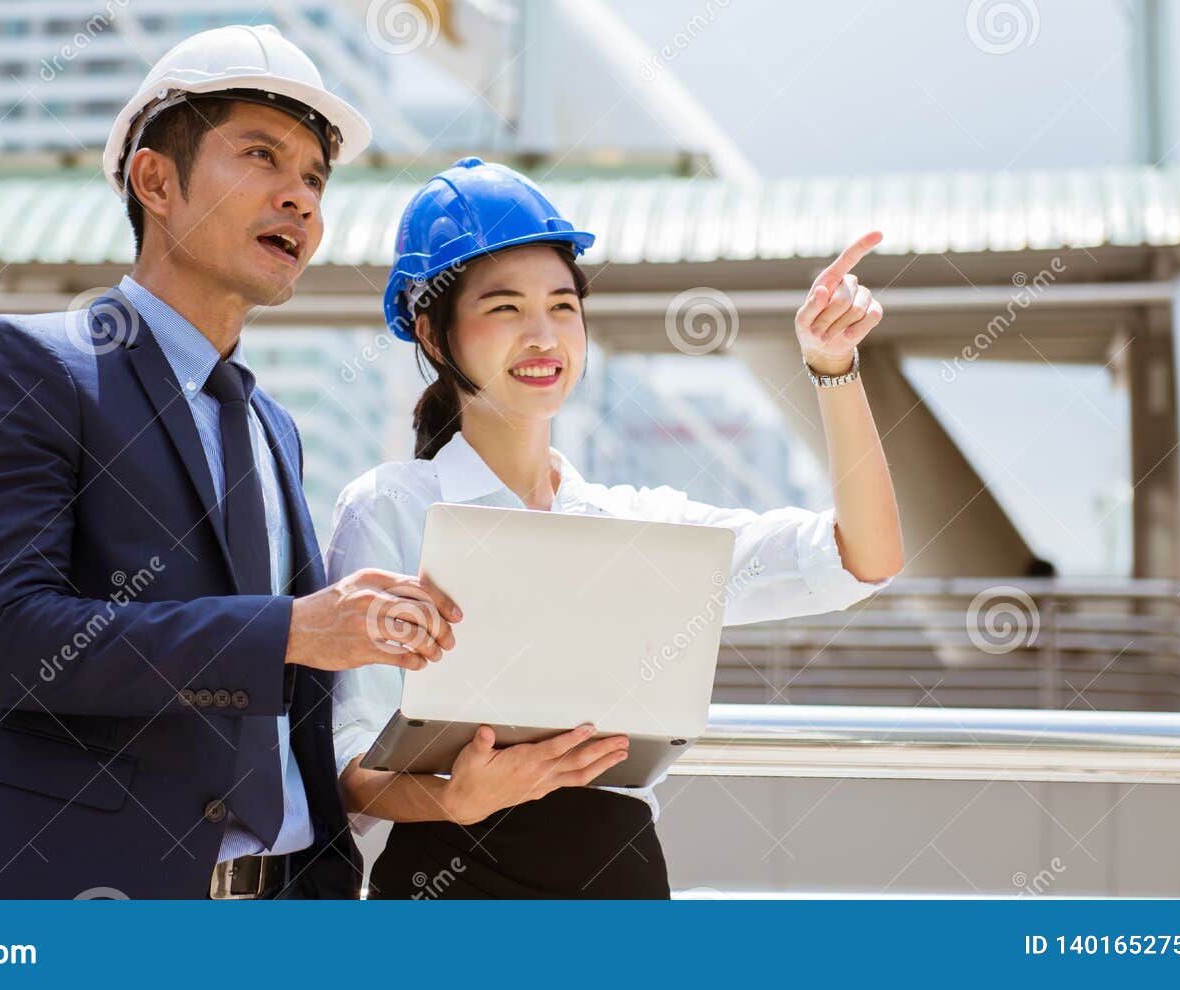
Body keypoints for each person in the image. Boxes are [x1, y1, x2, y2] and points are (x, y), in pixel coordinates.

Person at [0, 25, 461, 900]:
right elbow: (7, 641)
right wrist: (292, 628)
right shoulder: (27, 367)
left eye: (317, 180)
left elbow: (289, 718)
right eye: (262, 157)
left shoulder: (272, 428)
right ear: (155, 180)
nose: (302, 200)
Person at [326, 157, 906, 899]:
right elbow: (348, 765)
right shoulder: (391, 506)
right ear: (436, 337)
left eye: (563, 307)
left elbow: (862, 560)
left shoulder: (635, 526)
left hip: (621, 888)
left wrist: (834, 367)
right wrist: (455, 799)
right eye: (504, 308)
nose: (543, 336)